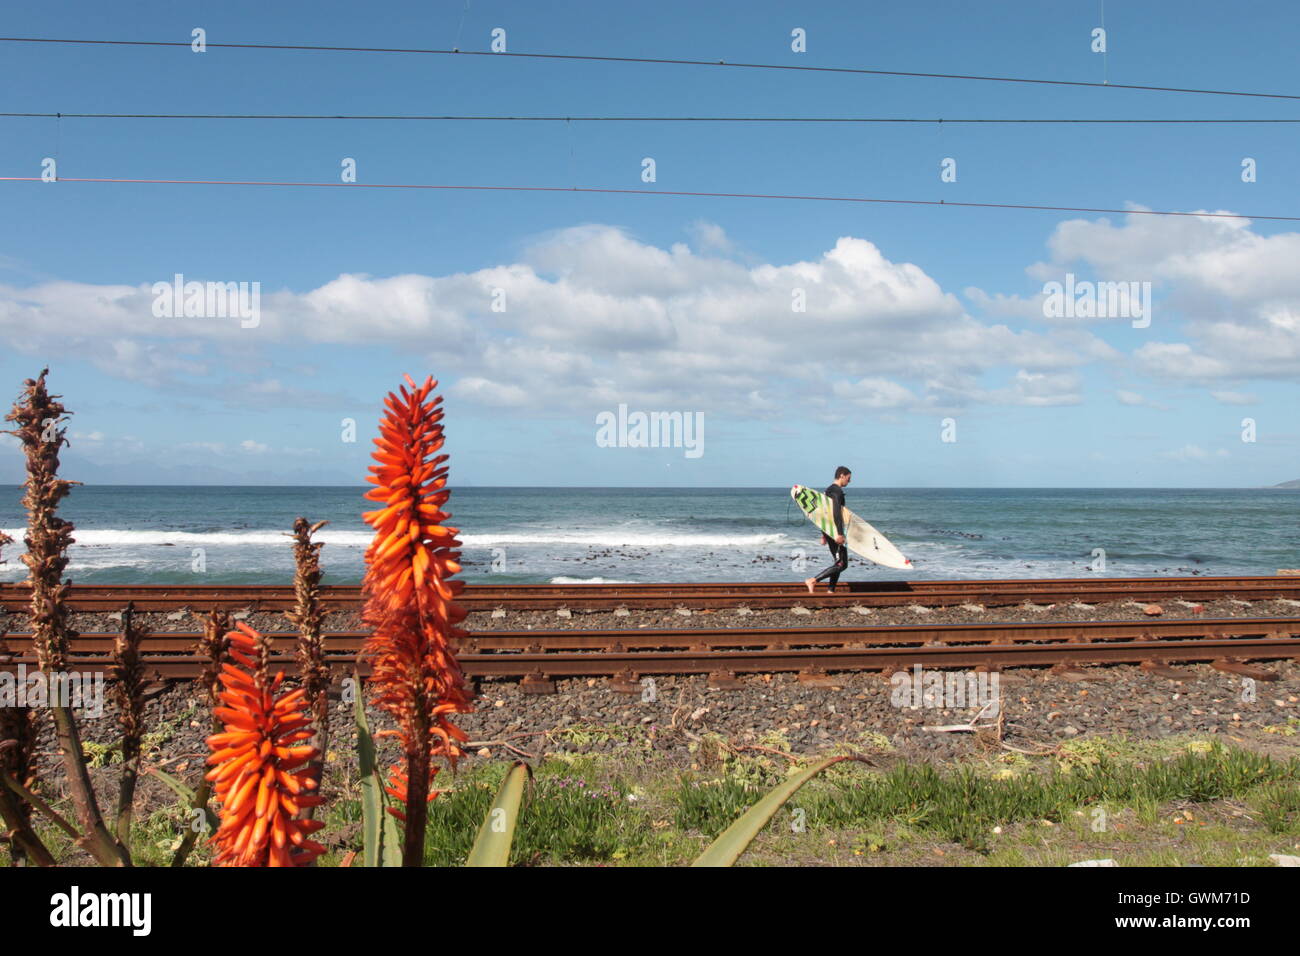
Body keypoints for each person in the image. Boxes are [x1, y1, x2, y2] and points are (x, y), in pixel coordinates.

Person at [804, 466, 852, 594]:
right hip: (835, 532)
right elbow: (836, 513)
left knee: (838, 563)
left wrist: (824, 534)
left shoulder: (828, 490)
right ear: (842, 475)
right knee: (842, 564)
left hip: (829, 530)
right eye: (848, 478)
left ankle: (831, 590)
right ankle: (813, 580)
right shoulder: (837, 491)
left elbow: (823, 514)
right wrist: (840, 534)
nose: (849, 481)